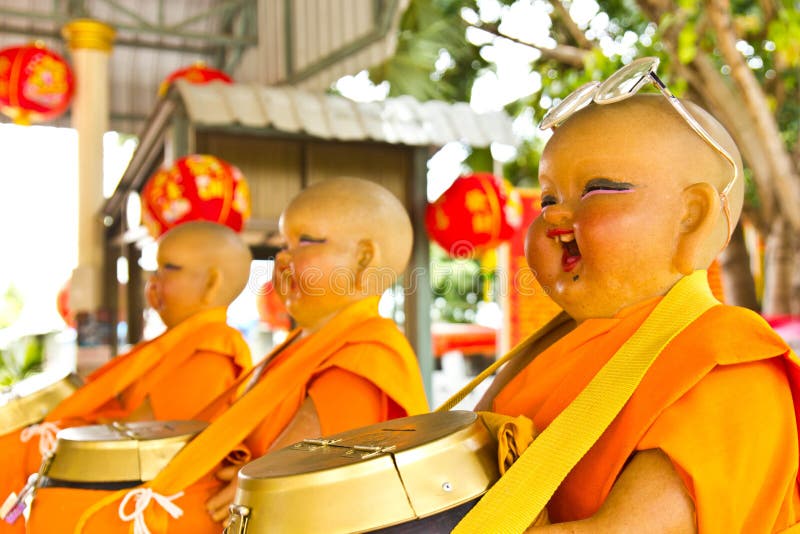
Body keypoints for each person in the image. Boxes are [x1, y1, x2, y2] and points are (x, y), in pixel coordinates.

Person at [477, 89, 800, 532]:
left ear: (692, 217)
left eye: (597, 190)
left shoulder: (726, 361)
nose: (554, 219)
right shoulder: (547, 350)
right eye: (548, 200)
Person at [46, 177, 429, 534]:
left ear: (363, 260)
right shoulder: (298, 344)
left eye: (306, 242)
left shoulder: (370, 347)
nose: (283, 259)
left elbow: (296, 469)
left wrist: (258, 480)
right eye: (284, 245)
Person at [8, 221, 252, 532]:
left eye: (169, 269)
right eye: (155, 270)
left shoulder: (211, 352)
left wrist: (46, 440)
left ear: (212, 284)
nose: (154, 281)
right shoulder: (177, 342)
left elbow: (147, 439)